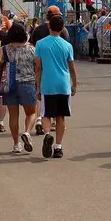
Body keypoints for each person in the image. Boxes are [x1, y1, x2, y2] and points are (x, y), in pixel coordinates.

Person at [35, 15, 77, 158]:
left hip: (48, 84)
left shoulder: (40, 44)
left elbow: (38, 67)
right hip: (63, 84)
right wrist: (74, 84)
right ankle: (58, 147)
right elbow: (72, 67)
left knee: (46, 114)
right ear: (62, 28)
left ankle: (47, 134)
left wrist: (37, 86)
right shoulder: (67, 46)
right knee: (61, 116)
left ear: (49, 27)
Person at [29, 6, 69, 135]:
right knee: (59, 106)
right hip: (60, 74)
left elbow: (31, 46)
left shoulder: (38, 30)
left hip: (41, 69)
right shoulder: (63, 31)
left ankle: (40, 119)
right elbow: (67, 53)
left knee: (41, 95)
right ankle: (55, 126)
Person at [1, 22, 38, 154]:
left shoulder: (5, 49)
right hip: (27, 82)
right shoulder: (32, 49)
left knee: (13, 115)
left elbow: (0, 63)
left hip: (10, 84)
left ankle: (16, 144)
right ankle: (27, 132)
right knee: (32, 112)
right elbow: (38, 66)